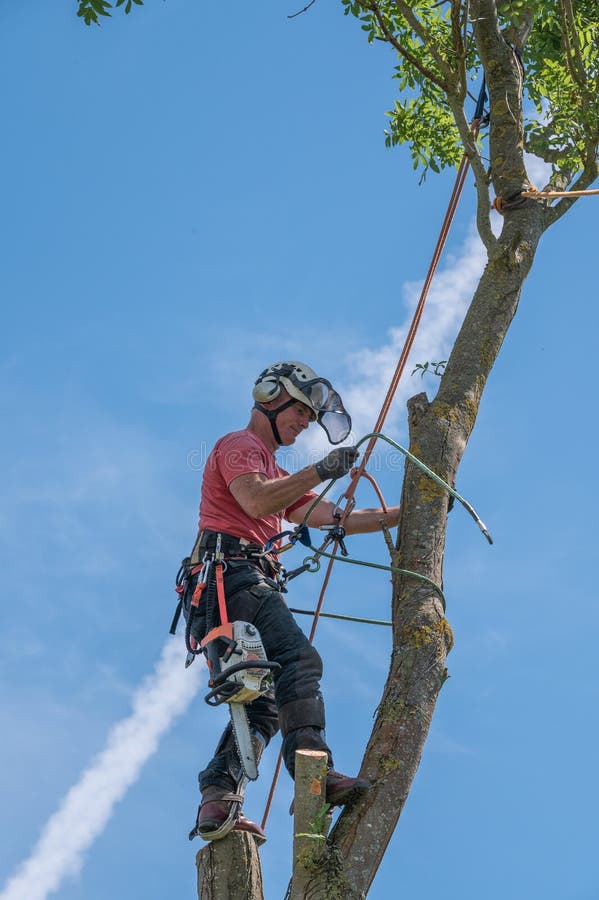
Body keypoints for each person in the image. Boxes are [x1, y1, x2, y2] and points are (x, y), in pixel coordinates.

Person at [184, 361, 400, 842]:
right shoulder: (240, 448)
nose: (305, 424)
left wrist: (405, 514)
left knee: (261, 706)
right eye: (300, 412)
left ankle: (217, 799)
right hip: (232, 578)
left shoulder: (274, 469)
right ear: (269, 397)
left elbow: (331, 515)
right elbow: (258, 503)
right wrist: (320, 470)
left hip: (227, 590)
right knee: (299, 662)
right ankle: (314, 778)